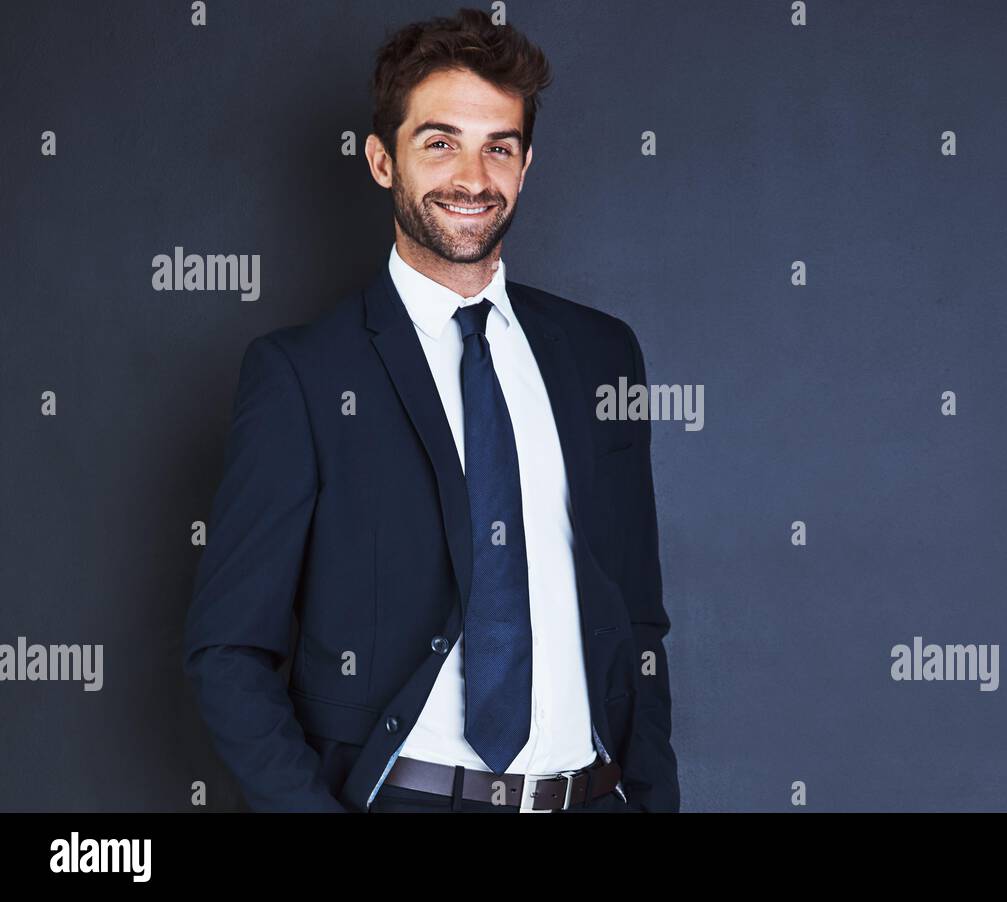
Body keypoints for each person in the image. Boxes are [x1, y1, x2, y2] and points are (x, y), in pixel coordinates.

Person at [182, 7, 679, 814]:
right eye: (440, 142)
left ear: (525, 164)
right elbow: (228, 650)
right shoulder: (303, 375)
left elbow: (638, 617)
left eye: (499, 147)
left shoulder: (601, 355)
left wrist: (653, 796)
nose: (473, 178)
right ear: (383, 160)